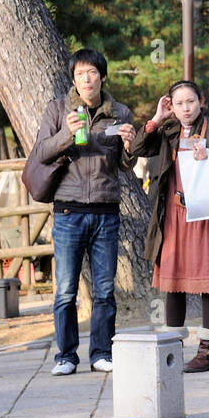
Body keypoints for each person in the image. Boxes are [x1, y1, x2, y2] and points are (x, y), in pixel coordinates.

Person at [32, 48, 134, 375]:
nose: (86, 79)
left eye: (92, 72)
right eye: (79, 74)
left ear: (102, 76)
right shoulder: (58, 109)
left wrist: (131, 147)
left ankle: (102, 352)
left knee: (104, 289)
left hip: (106, 210)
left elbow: (126, 165)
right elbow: (42, 152)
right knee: (65, 290)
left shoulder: (120, 112)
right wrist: (66, 134)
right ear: (73, 79)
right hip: (67, 211)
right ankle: (66, 355)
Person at [131, 81, 209, 372]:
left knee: (208, 283)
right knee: (173, 283)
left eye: (190, 102)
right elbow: (138, 148)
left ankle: (208, 353)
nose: (185, 108)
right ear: (171, 106)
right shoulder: (167, 129)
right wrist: (156, 118)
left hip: (203, 216)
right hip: (172, 215)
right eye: (179, 103)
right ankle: (173, 349)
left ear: (200, 101)